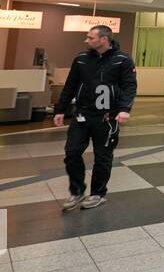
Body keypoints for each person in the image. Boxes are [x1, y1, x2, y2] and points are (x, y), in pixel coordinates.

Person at [55, 25, 137, 211]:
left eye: (90, 37)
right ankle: (77, 191)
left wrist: (124, 108)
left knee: (103, 157)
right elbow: (70, 86)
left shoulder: (122, 60)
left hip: (107, 118)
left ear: (104, 39)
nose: (86, 40)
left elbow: (129, 86)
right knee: (72, 152)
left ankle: (98, 193)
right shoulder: (81, 60)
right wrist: (60, 109)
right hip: (82, 115)